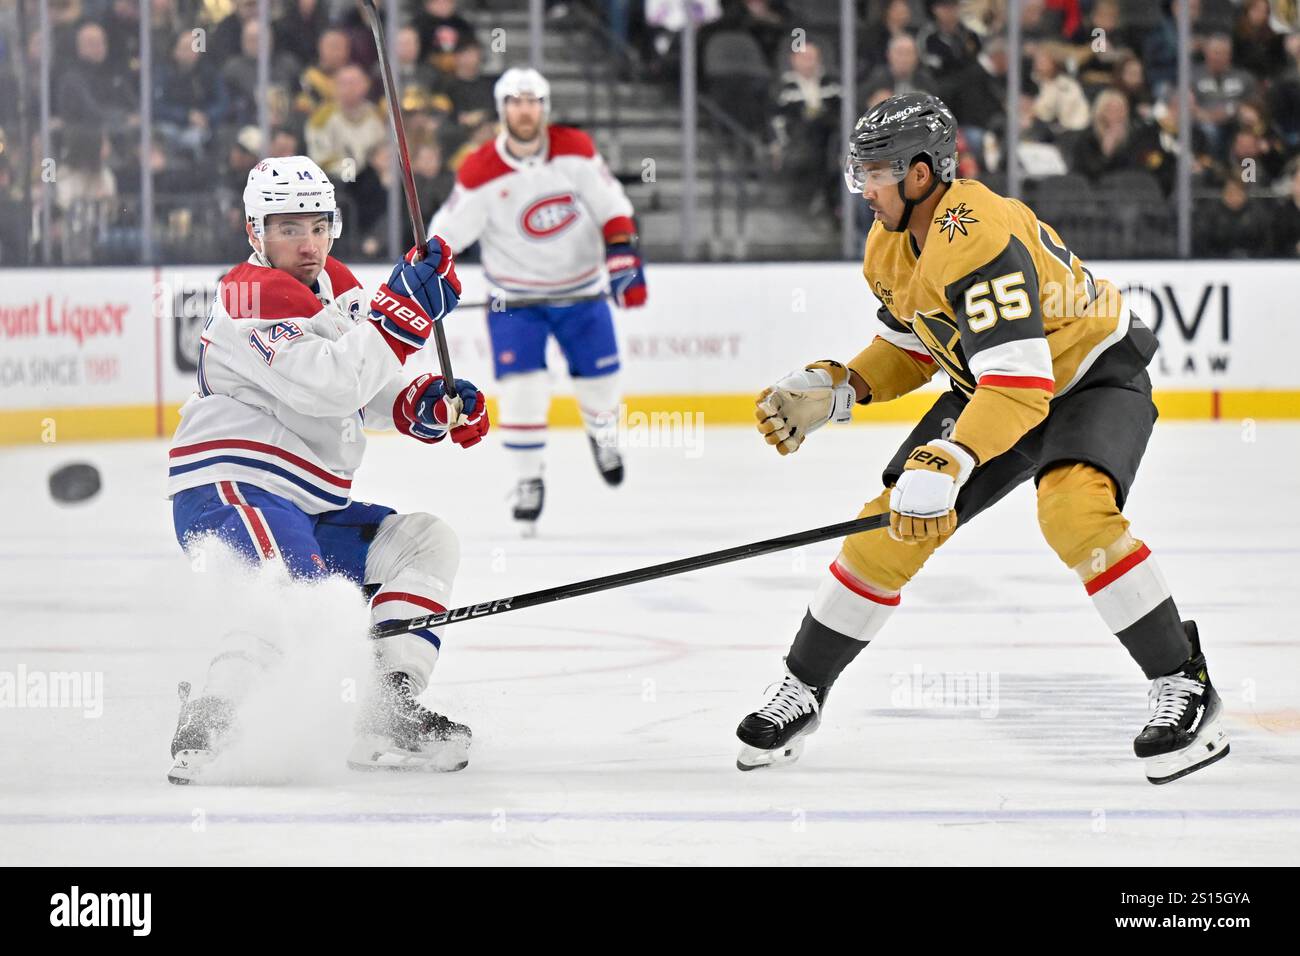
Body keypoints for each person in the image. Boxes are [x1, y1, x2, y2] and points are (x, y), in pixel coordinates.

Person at [736, 93, 1229, 786]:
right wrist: (846, 386)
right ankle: (803, 687)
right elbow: (917, 346)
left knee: (1074, 513)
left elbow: (1022, 384)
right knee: (887, 527)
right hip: (996, 390)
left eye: (876, 172)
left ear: (919, 174)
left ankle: (1183, 680)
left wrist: (951, 455)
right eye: (861, 171)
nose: (865, 188)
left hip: (1088, 379)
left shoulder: (974, 230)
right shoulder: (890, 243)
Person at [165, 155, 488, 783]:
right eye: (288, 228)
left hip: (307, 506)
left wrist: (429, 405)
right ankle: (211, 716)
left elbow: (369, 386)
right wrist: (405, 314)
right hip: (234, 487)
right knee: (296, 590)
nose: (307, 243)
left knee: (424, 543)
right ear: (254, 231)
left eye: (318, 225)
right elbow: (332, 384)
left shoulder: (335, 286)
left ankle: (387, 714)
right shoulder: (247, 295)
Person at [427, 68, 647, 535]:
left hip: (582, 290)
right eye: (515, 101)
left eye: (533, 101)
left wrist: (623, 255)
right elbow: (445, 234)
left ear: (544, 108)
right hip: (516, 300)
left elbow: (615, 208)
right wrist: (429, 268)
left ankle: (603, 438)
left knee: (600, 385)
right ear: (501, 109)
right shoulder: (480, 169)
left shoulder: (576, 150)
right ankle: (528, 481)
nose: (525, 110)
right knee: (523, 393)